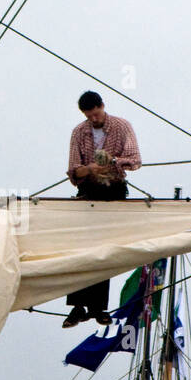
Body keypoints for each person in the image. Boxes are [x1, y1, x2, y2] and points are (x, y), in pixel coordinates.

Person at [62, 90, 142, 327]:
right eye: (89, 116)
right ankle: (77, 307)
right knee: (81, 248)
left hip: (113, 191)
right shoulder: (79, 132)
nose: (94, 119)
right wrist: (89, 169)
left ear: (102, 106)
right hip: (88, 191)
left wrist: (113, 161)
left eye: (96, 114)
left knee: (103, 248)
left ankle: (98, 308)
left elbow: (135, 159)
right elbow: (73, 170)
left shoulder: (121, 126)